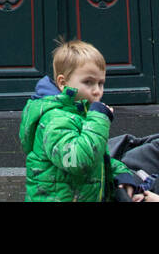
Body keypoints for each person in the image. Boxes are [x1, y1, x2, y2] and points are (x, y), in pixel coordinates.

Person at [19, 38, 140, 201]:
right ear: (63, 83)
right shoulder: (55, 119)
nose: (97, 91)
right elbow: (77, 160)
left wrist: (121, 174)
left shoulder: (81, 114)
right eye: (88, 82)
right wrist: (99, 119)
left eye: (101, 83)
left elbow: (97, 159)